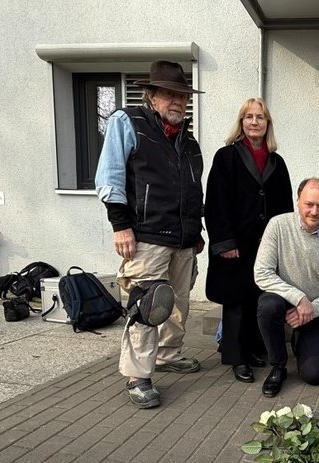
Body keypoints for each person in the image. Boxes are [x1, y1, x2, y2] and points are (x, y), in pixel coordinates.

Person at [95, 60, 205, 409]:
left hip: (184, 238)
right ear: (152, 95)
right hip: (146, 234)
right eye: (170, 94)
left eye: (182, 96)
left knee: (179, 303)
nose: (177, 102)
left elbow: (193, 190)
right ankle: (137, 375)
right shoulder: (128, 123)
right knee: (148, 304)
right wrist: (120, 224)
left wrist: (197, 231)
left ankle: (168, 354)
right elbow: (110, 176)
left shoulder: (188, 141)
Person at [205, 98, 293, 384]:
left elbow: (285, 207)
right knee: (236, 302)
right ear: (241, 122)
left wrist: (283, 245)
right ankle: (236, 357)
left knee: (259, 298)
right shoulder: (226, 157)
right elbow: (215, 203)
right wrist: (224, 242)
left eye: (260, 117)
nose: (255, 122)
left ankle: (254, 350)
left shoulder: (277, 162)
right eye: (249, 117)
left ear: (268, 124)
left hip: (265, 245)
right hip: (236, 243)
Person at [254, 178, 319, 397]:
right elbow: (262, 272)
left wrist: (311, 309)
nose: (314, 212)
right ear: (298, 201)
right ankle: (278, 365)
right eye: (309, 204)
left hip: (314, 310)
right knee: (267, 305)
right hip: (281, 300)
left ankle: (300, 337)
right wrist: (298, 299)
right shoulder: (278, 225)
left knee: (313, 376)